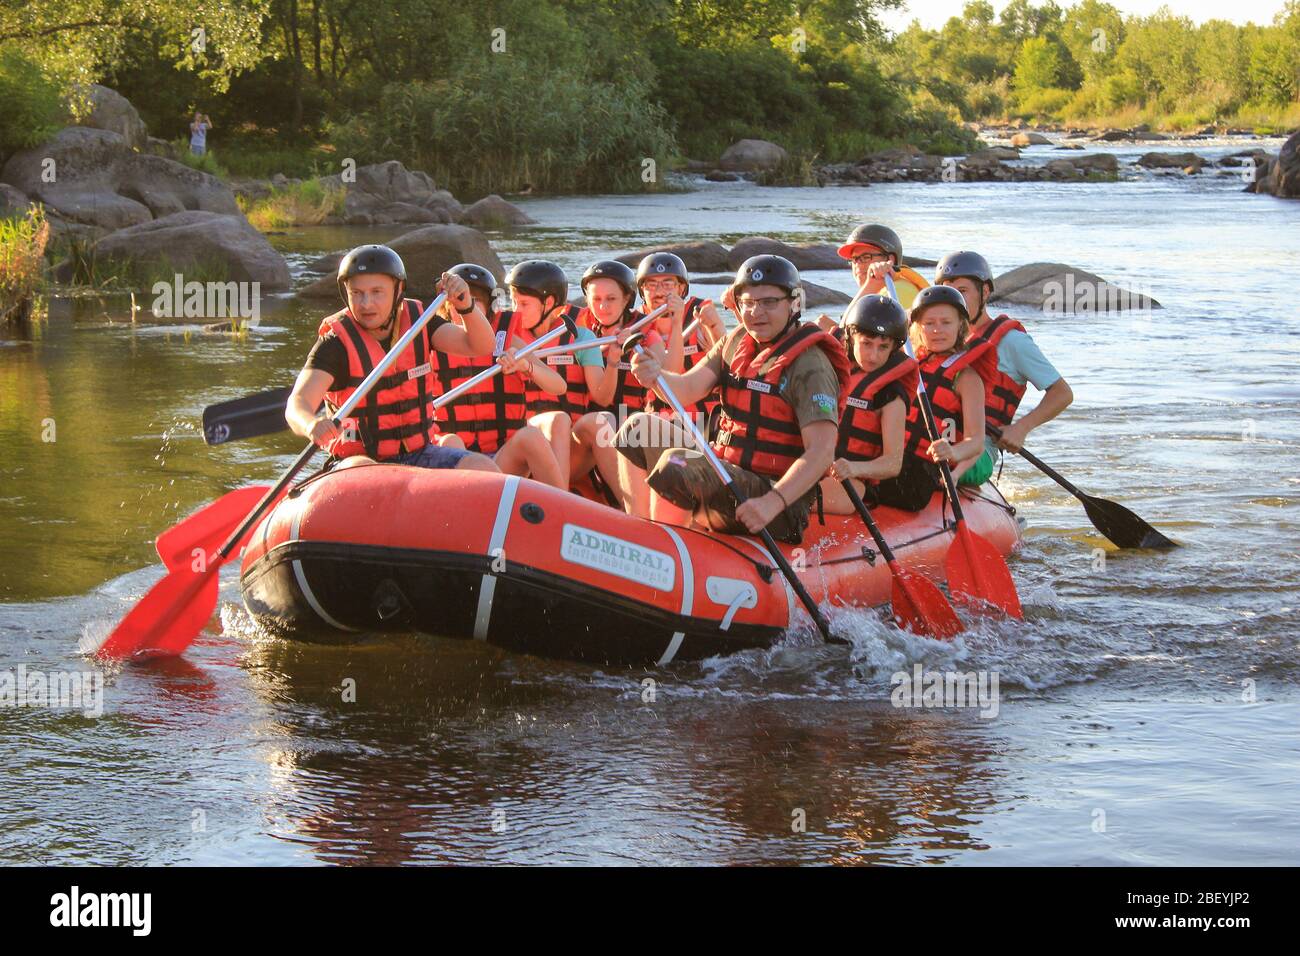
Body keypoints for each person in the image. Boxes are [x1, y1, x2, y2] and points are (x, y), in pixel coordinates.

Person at [614, 255, 850, 543]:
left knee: (675, 462)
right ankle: (639, 534)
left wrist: (772, 502)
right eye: (748, 303)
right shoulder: (736, 341)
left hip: (777, 502)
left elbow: (822, 451)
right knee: (637, 429)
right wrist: (655, 377)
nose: (755, 312)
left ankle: (661, 549)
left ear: (794, 303)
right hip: (729, 475)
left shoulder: (811, 364)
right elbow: (687, 388)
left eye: (769, 302)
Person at [285, 244, 499, 472]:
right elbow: (297, 404)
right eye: (356, 293)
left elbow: (481, 345)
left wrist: (465, 305)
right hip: (358, 462)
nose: (366, 303)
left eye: (377, 292)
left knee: (482, 466)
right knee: (363, 468)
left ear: (398, 290)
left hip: (420, 454)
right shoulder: (335, 344)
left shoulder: (420, 324)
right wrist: (310, 424)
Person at [428, 261, 568, 488]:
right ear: (446, 306)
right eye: (458, 303)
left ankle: (564, 511)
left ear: (487, 308)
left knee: (530, 437)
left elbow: (558, 387)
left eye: (474, 302)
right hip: (458, 465)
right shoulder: (432, 345)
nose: (464, 309)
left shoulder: (507, 340)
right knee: (449, 441)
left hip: (503, 458)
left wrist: (525, 366)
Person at [933, 251, 1073, 464]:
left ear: (985, 292)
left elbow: (1062, 393)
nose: (956, 301)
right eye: (948, 292)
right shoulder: (938, 338)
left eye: (963, 291)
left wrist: (1021, 428)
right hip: (943, 439)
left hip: (979, 448)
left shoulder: (1012, 342)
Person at [819, 294, 934, 514]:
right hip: (813, 467)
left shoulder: (891, 395)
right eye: (867, 343)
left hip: (854, 483)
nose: (873, 356)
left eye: (883, 347)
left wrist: (853, 468)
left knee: (795, 499)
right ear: (851, 337)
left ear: (894, 347)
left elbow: (892, 463)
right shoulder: (828, 368)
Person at [901, 284, 987, 488]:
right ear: (918, 327)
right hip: (899, 459)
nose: (937, 329)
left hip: (937, 465)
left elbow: (976, 441)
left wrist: (953, 453)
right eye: (929, 323)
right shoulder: (906, 365)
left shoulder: (967, 378)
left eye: (946, 322)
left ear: (960, 326)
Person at [634, 252, 726, 424]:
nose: (660, 292)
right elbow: (669, 378)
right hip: (662, 418)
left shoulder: (700, 314)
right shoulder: (636, 325)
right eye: (651, 285)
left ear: (681, 289)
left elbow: (728, 360)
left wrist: (714, 327)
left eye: (668, 284)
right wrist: (677, 324)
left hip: (706, 418)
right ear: (642, 290)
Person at [815, 224, 929, 334]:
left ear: (890, 259)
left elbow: (880, 348)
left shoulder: (896, 292)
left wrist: (833, 332)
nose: (858, 265)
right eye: (854, 259)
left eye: (866, 257)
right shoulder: (880, 291)